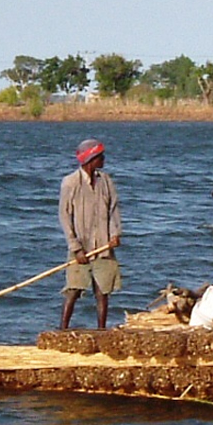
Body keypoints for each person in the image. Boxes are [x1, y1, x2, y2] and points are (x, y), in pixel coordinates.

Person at [59, 139, 122, 329]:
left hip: (103, 246)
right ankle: (62, 329)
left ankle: (101, 330)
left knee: (103, 291)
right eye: (100, 156)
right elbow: (64, 216)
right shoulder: (70, 183)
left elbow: (113, 210)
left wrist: (115, 234)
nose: (104, 159)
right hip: (81, 247)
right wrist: (76, 248)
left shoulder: (106, 181)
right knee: (74, 290)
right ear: (91, 159)